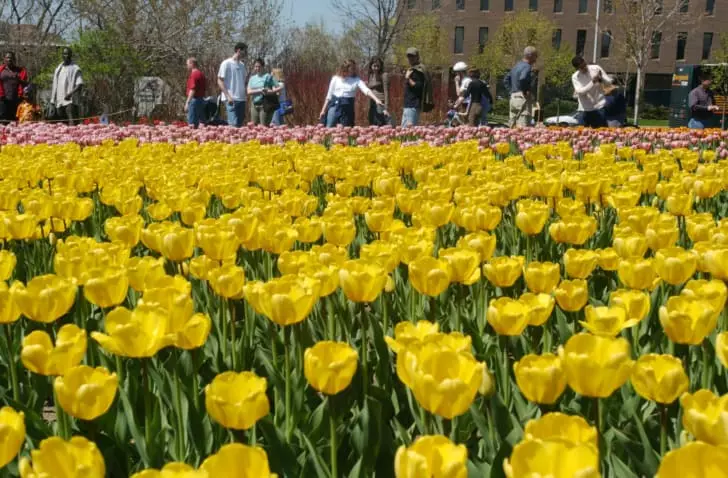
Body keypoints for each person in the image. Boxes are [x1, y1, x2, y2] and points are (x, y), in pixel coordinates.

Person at [319, 59, 384, 127]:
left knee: (346, 129)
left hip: (348, 108)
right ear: (345, 69)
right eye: (351, 68)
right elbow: (328, 96)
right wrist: (323, 110)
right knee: (329, 127)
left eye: (354, 68)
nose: (353, 70)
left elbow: (366, 90)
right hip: (334, 106)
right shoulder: (335, 79)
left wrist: (376, 99)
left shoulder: (356, 80)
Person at [571, 56, 612, 128]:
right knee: (581, 134)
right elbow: (580, 92)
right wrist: (592, 82)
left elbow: (609, 82)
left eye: (585, 65)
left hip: (599, 106)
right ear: (577, 68)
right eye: (581, 67)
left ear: (585, 61)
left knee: (601, 133)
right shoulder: (575, 76)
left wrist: (601, 78)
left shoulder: (596, 68)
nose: (584, 68)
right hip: (583, 109)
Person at [505, 46, 538, 128]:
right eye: (535, 56)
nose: (536, 59)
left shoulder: (516, 66)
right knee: (522, 127)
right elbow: (523, 78)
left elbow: (505, 80)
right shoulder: (527, 66)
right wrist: (525, 91)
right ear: (530, 56)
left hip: (513, 98)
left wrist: (511, 91)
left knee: (512, 126)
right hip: (522, 98)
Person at [217, 42, 248, 127]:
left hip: (241, 99)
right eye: (245, 51)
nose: (246, 53)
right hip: (231, 99)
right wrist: (228, 96)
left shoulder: (242, 65)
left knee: (239, 125)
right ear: (238, 50)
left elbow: (244, 81)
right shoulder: (226, 63)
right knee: (233, 125)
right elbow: (220, 80)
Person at [50, 47, 84, 125]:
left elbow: (79, 85)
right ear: (62, 55)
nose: (66, 56)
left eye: (68, 54)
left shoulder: (75, 68)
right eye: (65, 54)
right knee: (62, 122)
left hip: (70, 101)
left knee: (71, 120)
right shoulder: (59, 68)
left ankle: (73, 136)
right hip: (59, 100)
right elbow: (55, 85)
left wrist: (70, 94)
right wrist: (52, 101)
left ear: (71, 55)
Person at [247, 58, 281, 126]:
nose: (257, 68)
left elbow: (279, 88)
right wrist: (260, 90)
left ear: (263, 67)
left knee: (264, 126)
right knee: (254, 125)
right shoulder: (252, 78)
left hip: (265, 104)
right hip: (254, 104)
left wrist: (270, 92)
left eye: (259, 66)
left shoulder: (268, 77)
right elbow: (249, 92)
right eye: (256, 66)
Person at [0, 52, 29, 124]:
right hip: (3, 100)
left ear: (14, 60)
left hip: (16, 100)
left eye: (11, 58)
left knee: (15, 121)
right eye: (7, 57)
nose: (9, 59)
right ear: (4, 59)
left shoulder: (20, 71)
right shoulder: (1, 70)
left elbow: (25, 84)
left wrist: (18, 79)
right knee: (3, 120)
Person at [402, 47, 428, 127]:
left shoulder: (419, 70)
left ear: (417, 57)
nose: (410, 58)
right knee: (404, 131)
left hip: (413, 104)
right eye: (409, 56)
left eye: (412, 56)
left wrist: (407, 78)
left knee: (409, 132)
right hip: (408, 104)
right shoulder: (412, 69)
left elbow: (418, 86)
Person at [366, 57, 390, 126]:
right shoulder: (370, 75)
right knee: (372, 124)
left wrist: (386, 108)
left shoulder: (384, 75)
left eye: (378, 66)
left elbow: (386, 92)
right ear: (371, 66)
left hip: (380, 104)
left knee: (380, 124)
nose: (376, 68)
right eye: (374, 66)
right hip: (372, 104)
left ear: (381, 66)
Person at [184, 57, 206, 128]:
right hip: (201, 100)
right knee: (200, 123)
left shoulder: (194, 74)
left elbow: (193, 89)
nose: (186, 66)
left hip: (194, 100)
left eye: (187, 64)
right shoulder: (201, 74)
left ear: (192, 64)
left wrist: (187, 102)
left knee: (192, 124)